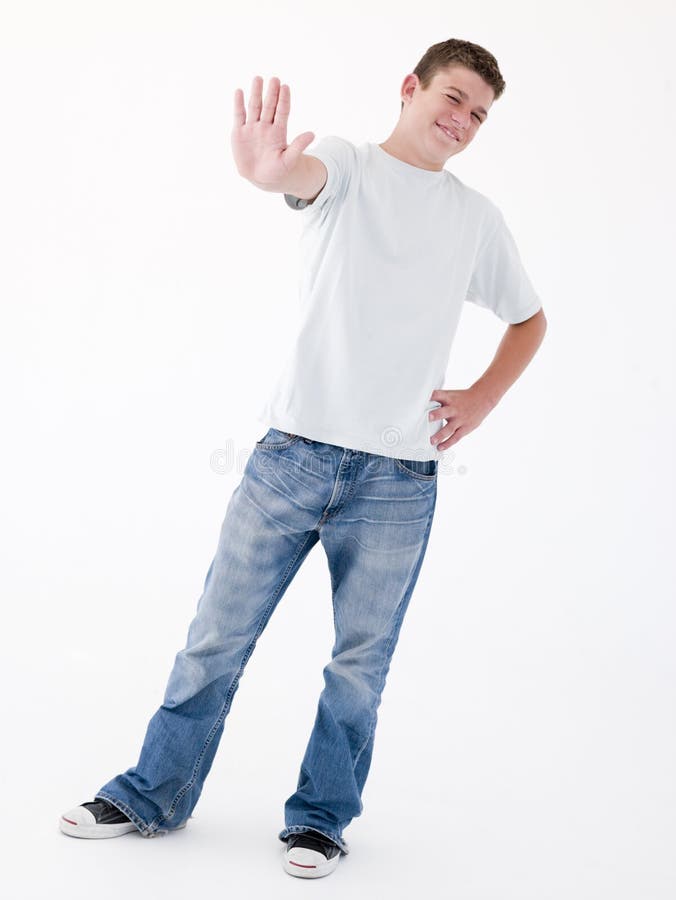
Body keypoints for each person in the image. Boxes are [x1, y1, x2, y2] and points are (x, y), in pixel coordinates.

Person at [59, 38, 547, 879]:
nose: (463, 121)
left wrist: (482, 396)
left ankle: (320, 820)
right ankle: (150, 795)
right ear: (410, 88)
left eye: (480, 114)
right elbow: (301, 177)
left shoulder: (475, 219)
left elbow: (529, 319)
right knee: (214, 640)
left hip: (398, 482)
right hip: (291, 461)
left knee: (360, 666)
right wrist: (266, 174)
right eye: (454, 98)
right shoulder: (348, 166)